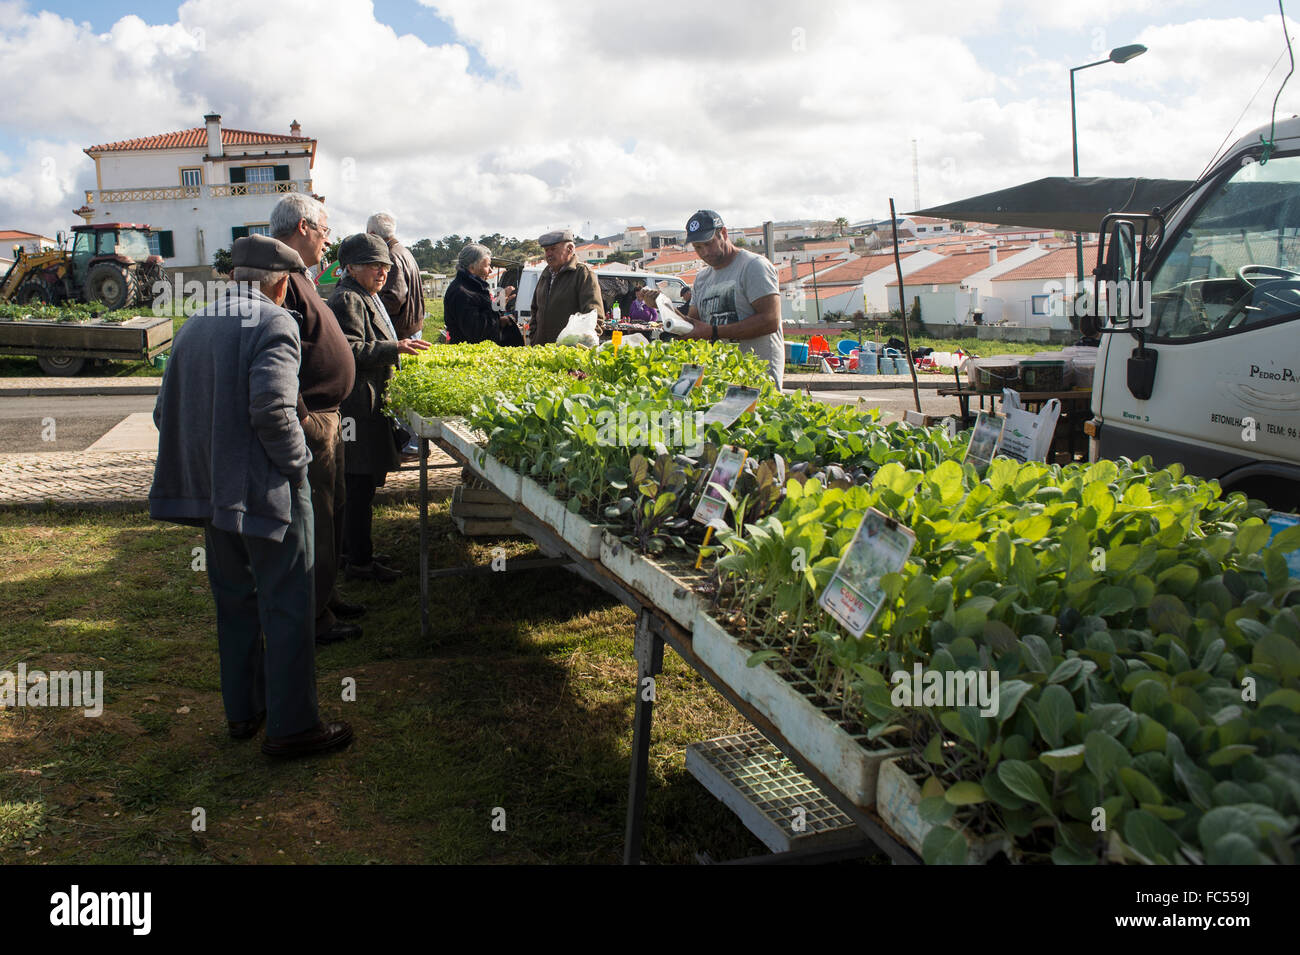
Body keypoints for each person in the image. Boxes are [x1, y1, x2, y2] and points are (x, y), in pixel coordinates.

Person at [149, 234, 353, 758]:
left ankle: (244, 712)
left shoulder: (194, 324)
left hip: (215, 496)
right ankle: (293, 727)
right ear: (281, 283)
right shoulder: (273, 320)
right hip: (268, 492)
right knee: (288, 602)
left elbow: (162, 412)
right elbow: (273, 409)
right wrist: (298, 464)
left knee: (236, 603)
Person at [270, 194, 363, 645]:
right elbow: (279, 360)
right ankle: (315, 614)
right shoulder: (280, 278)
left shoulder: (300, 275)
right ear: (303, 227)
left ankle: (325, 595)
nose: (328, 241)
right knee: (317, 515)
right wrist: (305, 417)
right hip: (315, 420)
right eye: (325, 231)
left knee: (333, 509)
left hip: (329, 417)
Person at [329, 234, 431, 582]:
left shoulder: (363, 295)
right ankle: (358, 562)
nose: (382, 271)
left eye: (385, 265)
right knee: (358, 486)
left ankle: (353, 551)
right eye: (374, 265)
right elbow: (349, 350)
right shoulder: (347, 299)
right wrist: (395, 348)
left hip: (371, 401)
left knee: (363, 484)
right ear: (351, 268)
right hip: (358, 405)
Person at [638, 210, 783, 388]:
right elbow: (693, 325)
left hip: (757, 377)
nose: (705, 252)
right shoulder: (702, 278)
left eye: (709, 243)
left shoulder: (753, 266)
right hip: (720, 375)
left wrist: (713, 332)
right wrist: (662, 304)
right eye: (698, 247)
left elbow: (770, 320)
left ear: (723, 233)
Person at [528, 229, 603, 345]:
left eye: (553, 249)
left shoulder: (583, 273)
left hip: (568, 354)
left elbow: (594, 316)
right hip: (541, 350)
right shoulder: (546, 273)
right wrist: (534, 336)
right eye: (546, 250)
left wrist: (580, 347)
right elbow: (535, 309)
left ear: (570, 249)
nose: (548, 254)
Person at [367, 212, 425, 341]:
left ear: (372, 234)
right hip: (411, 327)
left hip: (401, 332)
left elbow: (394, 298)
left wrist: (369, 313)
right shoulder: (403, 251)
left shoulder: (390, 255)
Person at [445, 242, 516, 344]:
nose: (490, 270)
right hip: (469, 356)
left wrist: (499, 321)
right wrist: (498, 305)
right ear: (472, 268)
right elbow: (477, 332)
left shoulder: (472, 288)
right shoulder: (462, 292)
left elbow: (482, 321)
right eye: (487, 265)